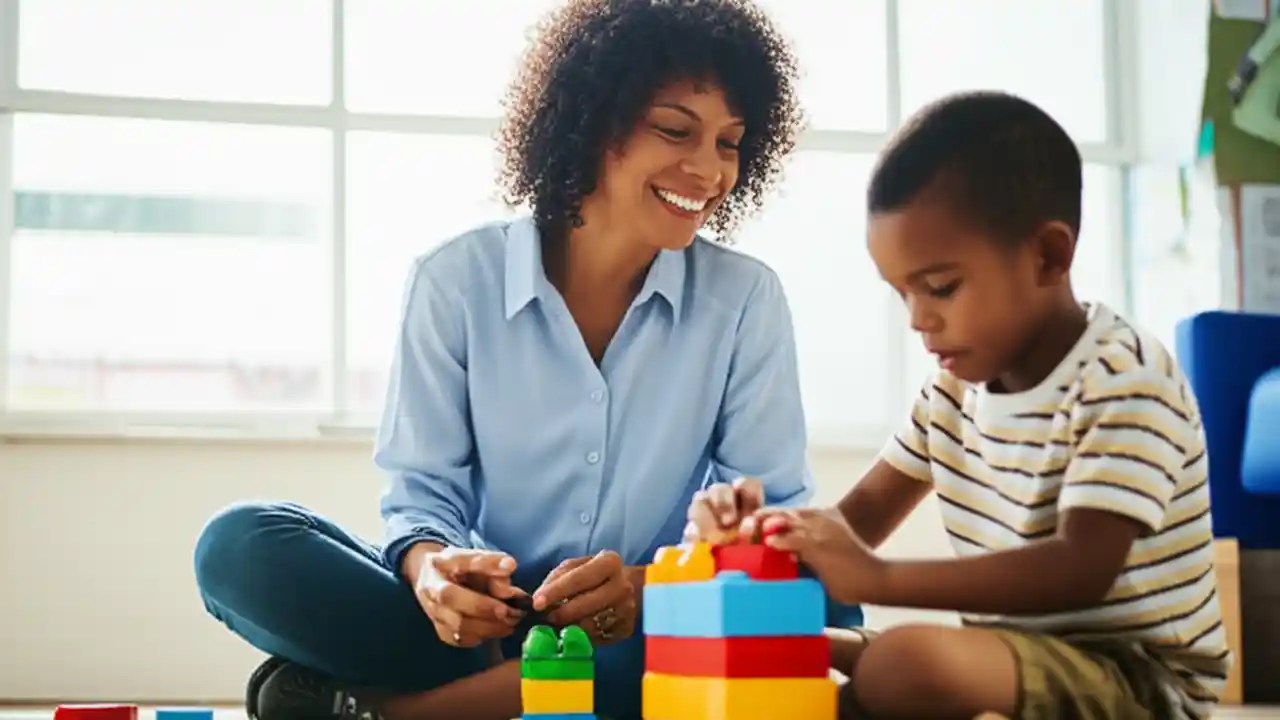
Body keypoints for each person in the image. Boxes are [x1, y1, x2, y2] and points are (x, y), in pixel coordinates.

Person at [193, 2, 860, 719]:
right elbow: (422, 495)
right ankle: (514, 685)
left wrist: (645, 587)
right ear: (594, 119)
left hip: (647, 621)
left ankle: (384, 710)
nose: (709, 170)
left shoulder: (744, 300)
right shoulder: (455, 282)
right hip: (485, 630)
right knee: (239, 547)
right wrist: (435, 574)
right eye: (675, 130)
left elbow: (770, 520)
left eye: (730, 143)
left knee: (825, 602)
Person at [687, 92, 1229, 719]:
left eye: (941, 287)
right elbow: (853, 522)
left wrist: (879, 581)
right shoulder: (950, 393)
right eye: (904, 294)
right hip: (1011, 655)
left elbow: (1082, 569)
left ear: (1049, 256)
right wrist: (762, 536)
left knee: (904, 664)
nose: (920, 319)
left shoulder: (1124, 377)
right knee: (790, 646)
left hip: (1139, 681)